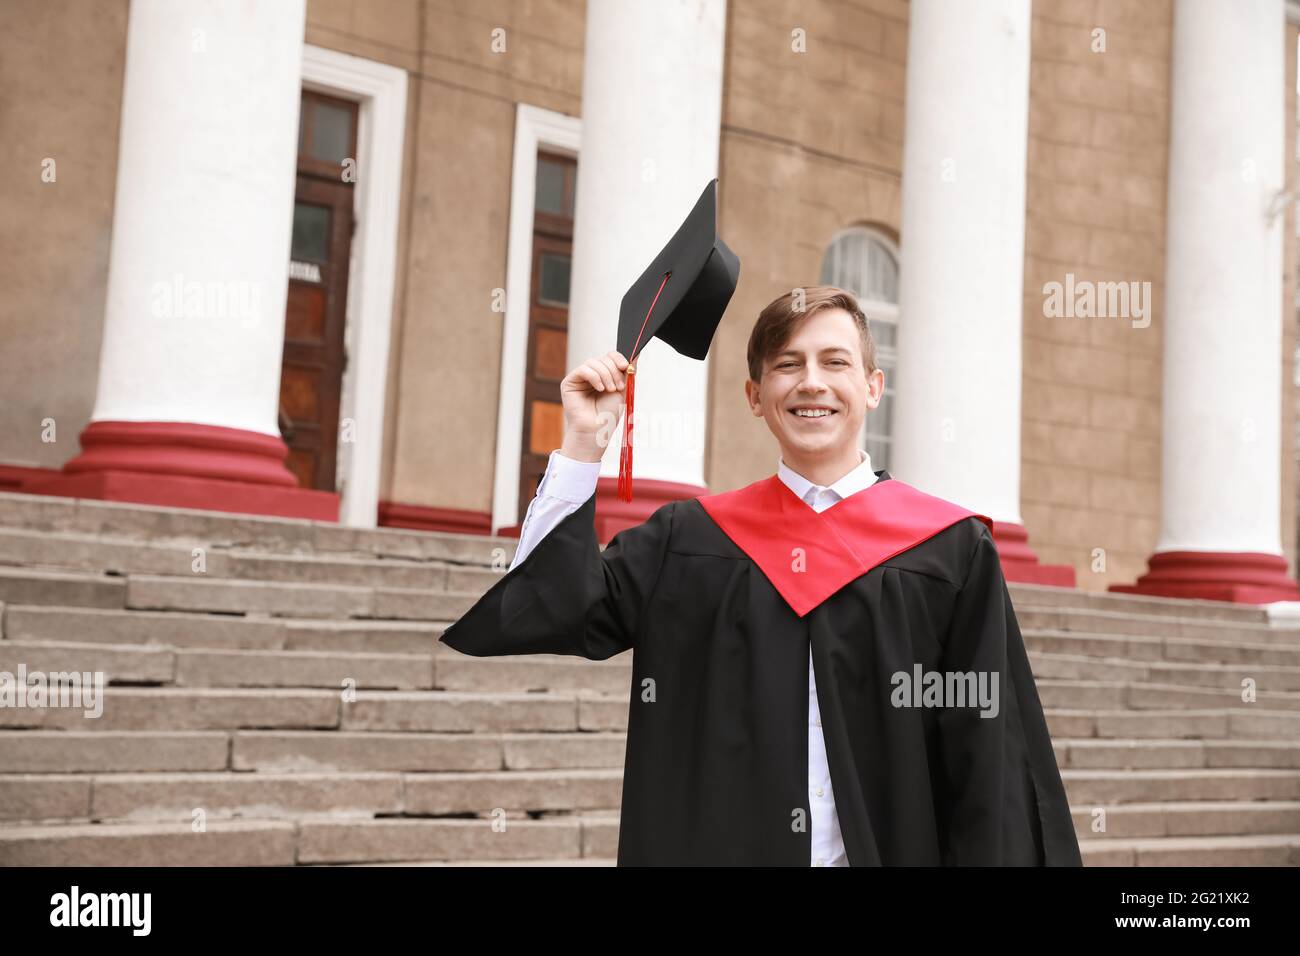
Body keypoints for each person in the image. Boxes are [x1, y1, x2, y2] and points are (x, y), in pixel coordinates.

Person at [440, 285, 1083, 867]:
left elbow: (990, 755)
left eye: (835, 362)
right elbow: (559, 608)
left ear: (873, 387)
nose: (812, 383)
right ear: (755, 396)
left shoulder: (947, 551)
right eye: (786, 364)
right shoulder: (691, 541)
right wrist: (582, 444)